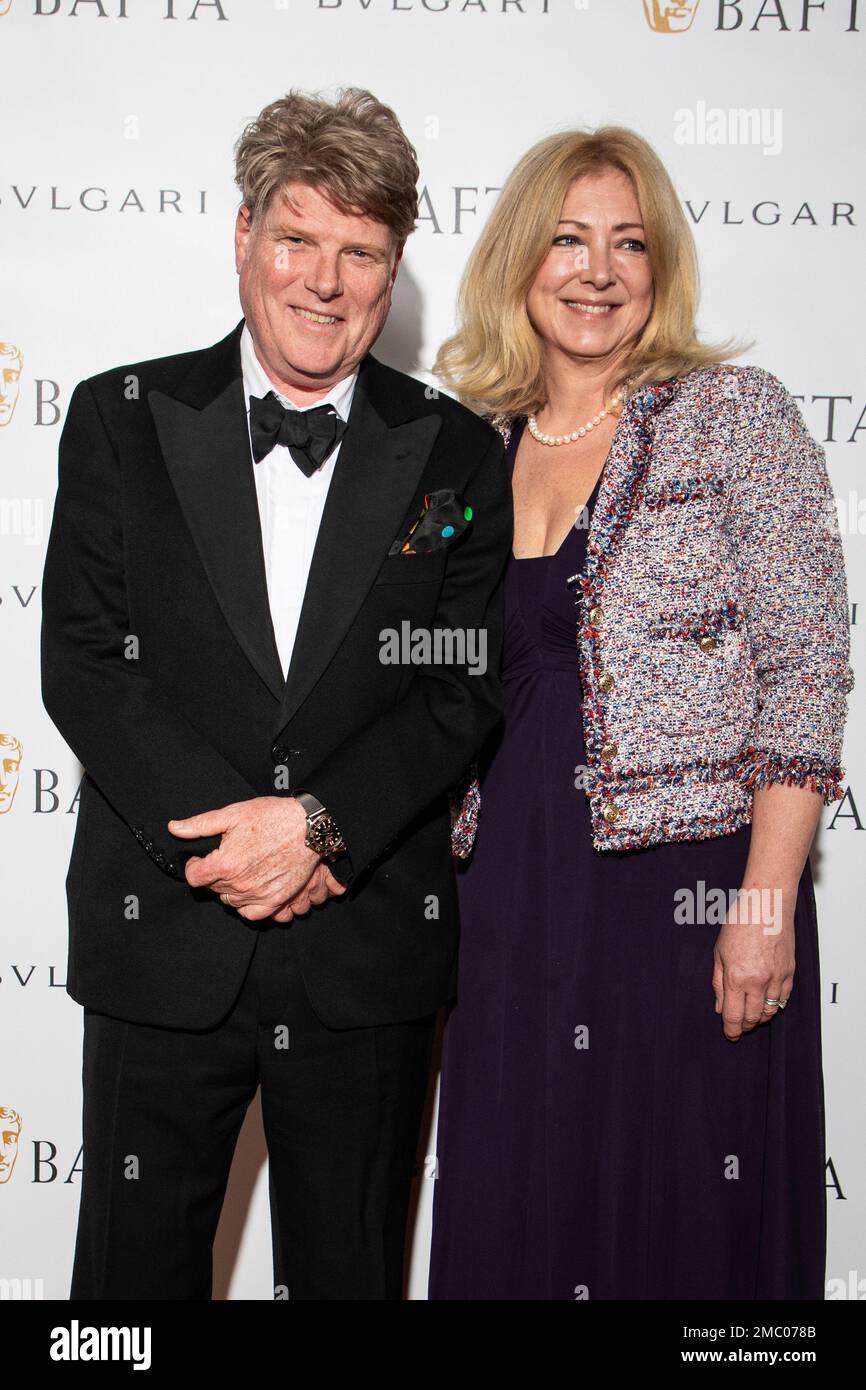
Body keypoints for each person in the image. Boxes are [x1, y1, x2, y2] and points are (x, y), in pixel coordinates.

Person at [41, 87, 511, 1301]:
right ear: (241, 233)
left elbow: (453, 688)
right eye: (296, 237)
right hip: (166, 931)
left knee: (350, 1279)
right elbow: (87, 665)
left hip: (362, 952)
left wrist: (317, 831)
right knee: (126, 1295)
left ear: (393, 268)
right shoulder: (118, 419)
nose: (324, 280)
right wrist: (238, 842)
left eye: (361, 253)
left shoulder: (455, 454)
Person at [429, 126, 853, 1300]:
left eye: (628, 243)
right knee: (520, 1191)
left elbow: (806, 667)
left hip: (684, 897)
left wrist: (763, 906)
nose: (596, 270)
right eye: (565, 240)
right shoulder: (467, 453)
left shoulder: (734, 418)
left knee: (679, 1215)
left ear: (660, 267)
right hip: (507, 893)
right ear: (520, 261)